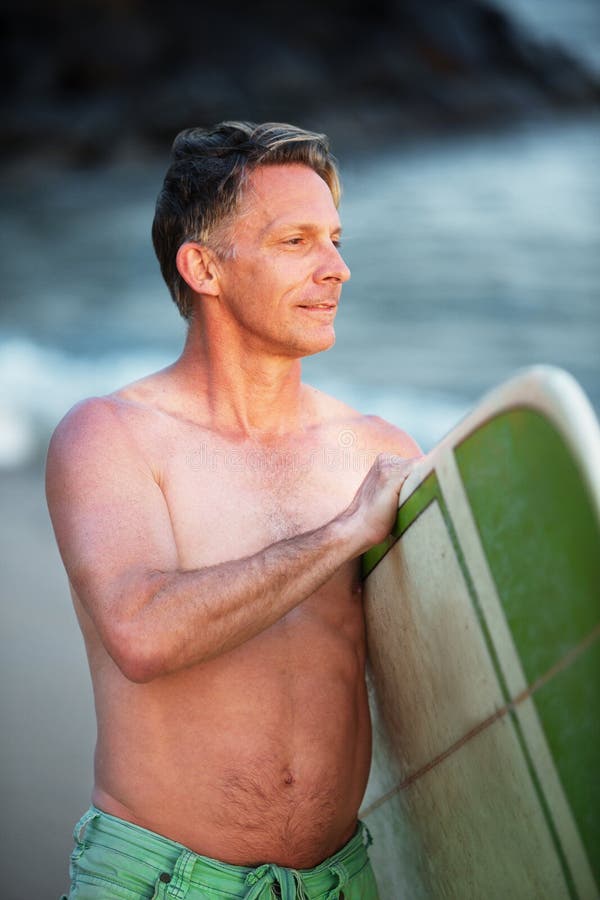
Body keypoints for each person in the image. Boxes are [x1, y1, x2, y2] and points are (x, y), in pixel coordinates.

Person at [46, 121, 421, 899]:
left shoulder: (375, 450)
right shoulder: (111, 437)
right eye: (296, 242)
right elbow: (143, 631)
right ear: (205, 267)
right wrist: (345, 533)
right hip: (163, 882)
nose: (339, 269)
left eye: (336, 239)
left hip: (342, 880)